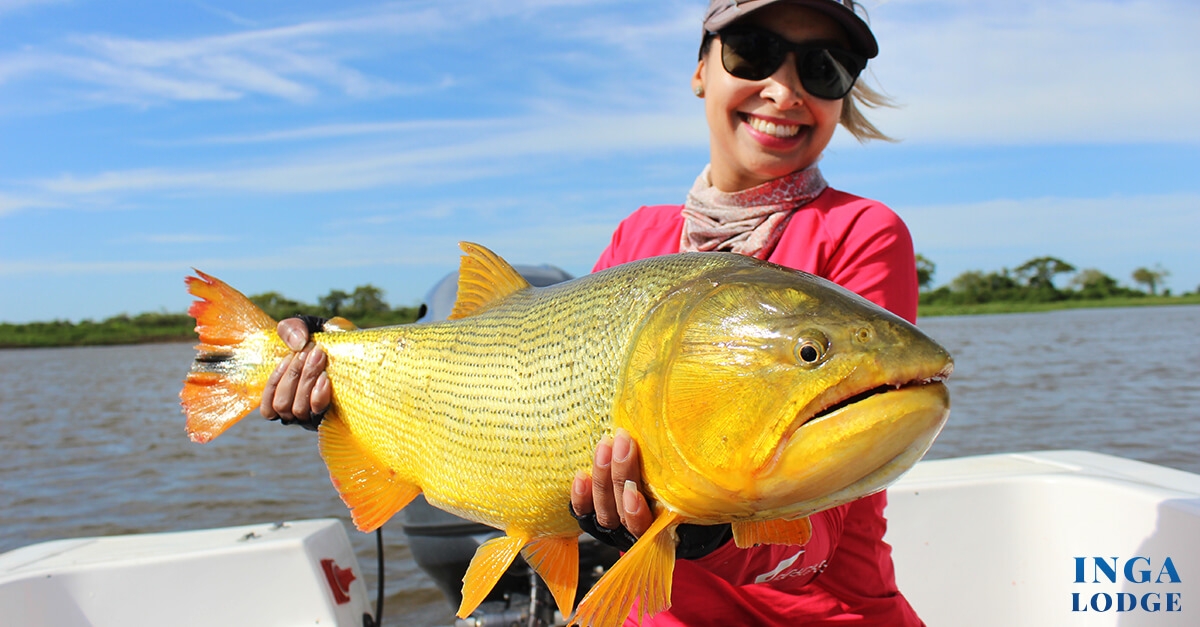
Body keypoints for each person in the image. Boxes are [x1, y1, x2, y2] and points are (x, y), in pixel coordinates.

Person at [263, 1, 924, 624]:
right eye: (753, 52)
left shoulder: (861, 231)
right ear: (701, 70)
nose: (784, 89)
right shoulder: (640, 235)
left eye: (823, 67)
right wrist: (346, 385)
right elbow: (532, 394)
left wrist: (706, 532)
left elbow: (831, 516)